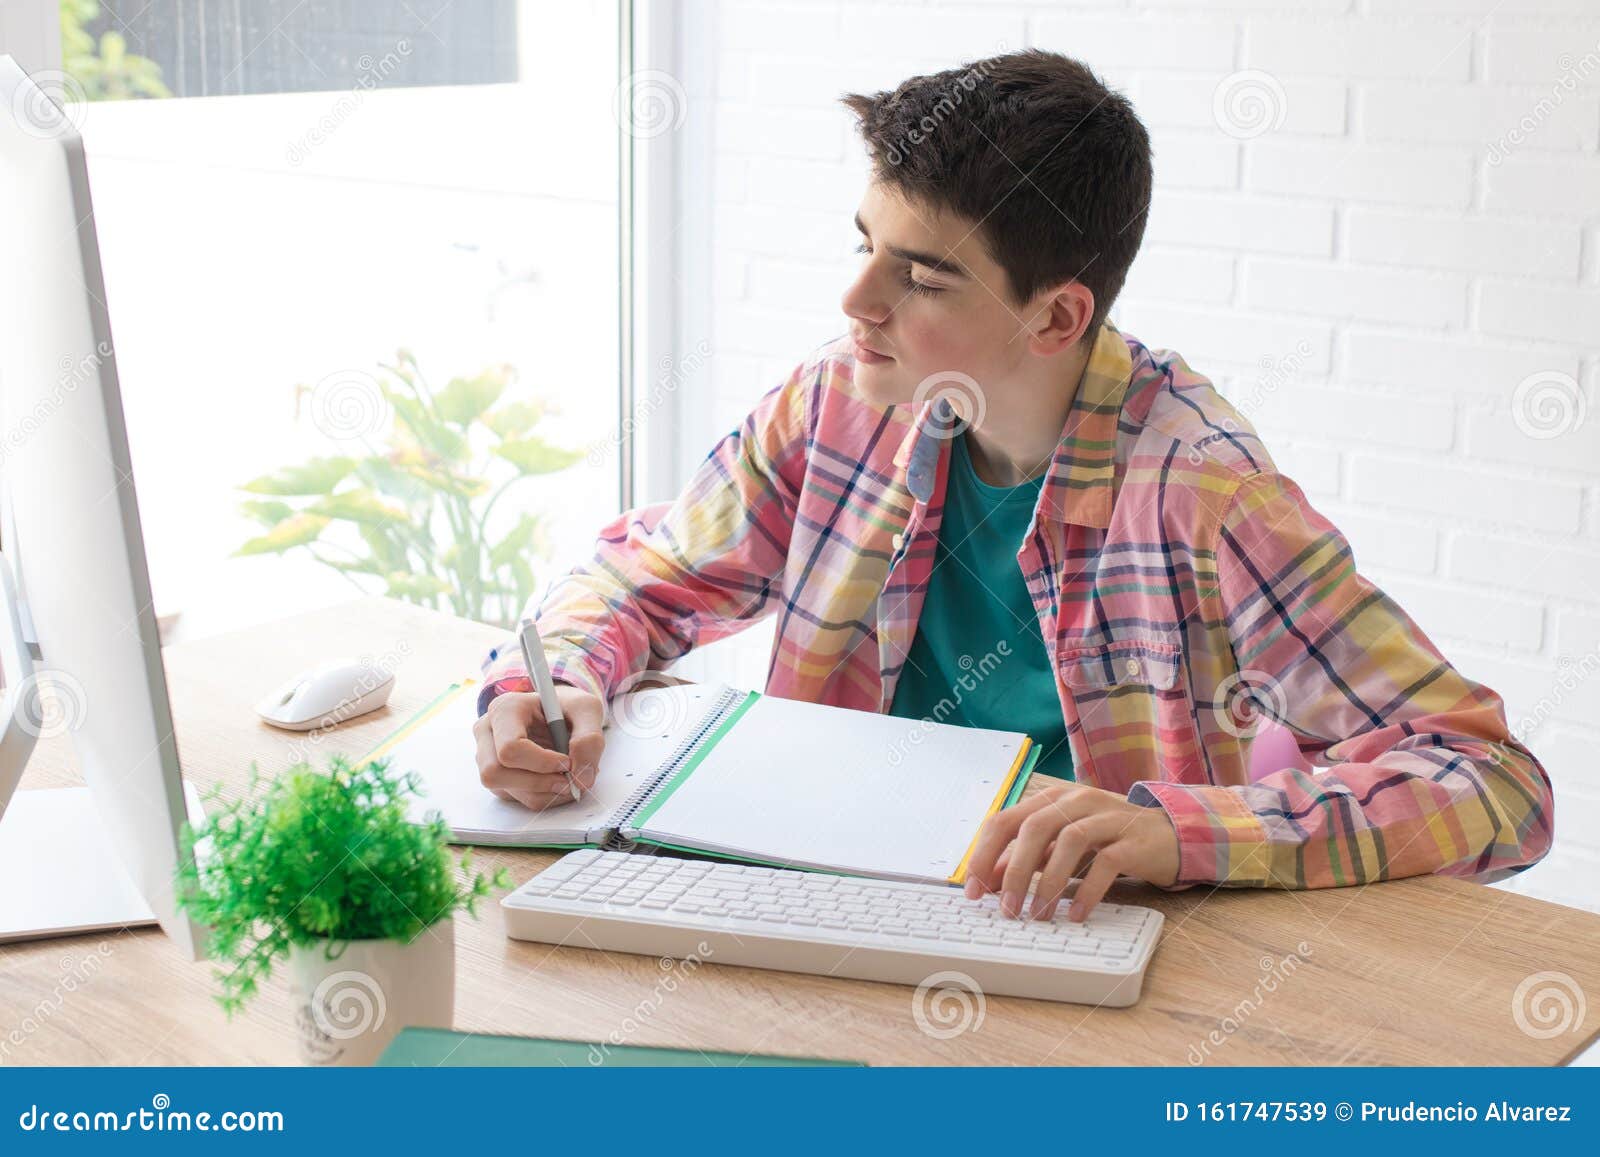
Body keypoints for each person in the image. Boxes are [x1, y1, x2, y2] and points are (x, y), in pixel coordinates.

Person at [472, 49, 1553, 923]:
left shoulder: (1203, 492)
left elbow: (1494, 780)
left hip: (1073, 934)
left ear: (1056, 317)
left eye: (923, 274)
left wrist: (1177, 828)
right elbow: (644, 575)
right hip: (823, 900)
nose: (857, 298)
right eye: (865, 243)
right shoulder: (835, 406)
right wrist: (557, 681)